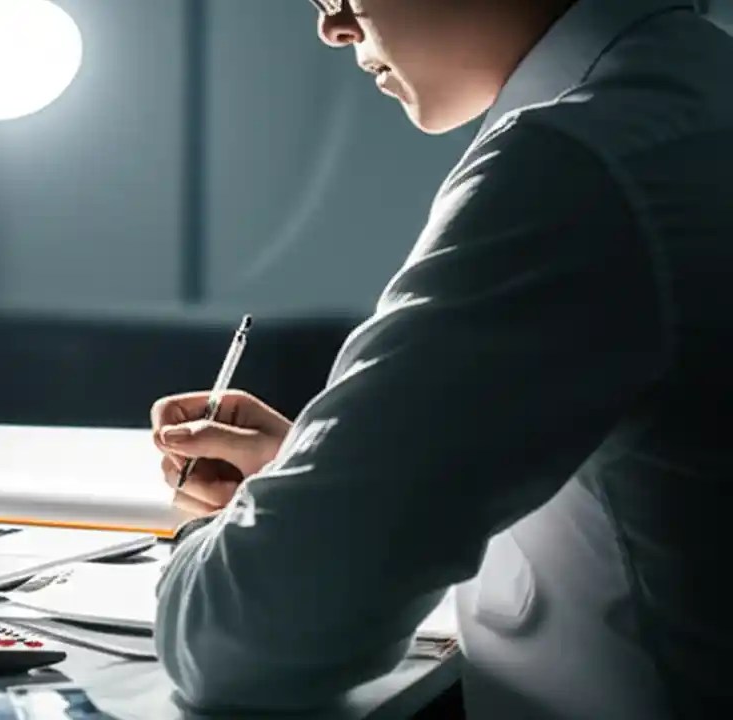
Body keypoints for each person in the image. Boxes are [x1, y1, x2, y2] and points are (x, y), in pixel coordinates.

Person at [149, 0, 733, 718]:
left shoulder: (574, 164)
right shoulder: (694, 90)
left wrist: (212, 534)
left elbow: (245, 635)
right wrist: (315, 474)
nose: (331, 26)